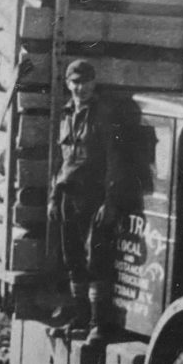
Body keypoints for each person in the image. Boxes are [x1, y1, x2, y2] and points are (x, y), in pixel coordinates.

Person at [47, 59, 124, 343]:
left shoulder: (103, 115)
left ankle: (98, 324)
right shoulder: (66, 113)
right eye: (75, 82)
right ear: (68, 84)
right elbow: (61, 160)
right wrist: (54, 197)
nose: (81, 88)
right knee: (73, 258)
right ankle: (79, 318)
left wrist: (110, 202)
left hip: (94, 197)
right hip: (69, 195)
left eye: (86, 82)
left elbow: (114, 161)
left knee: (98, 260)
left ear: (94, 84)